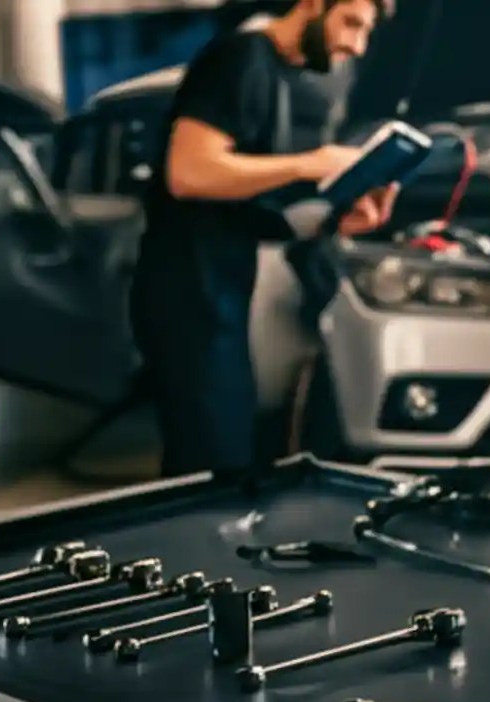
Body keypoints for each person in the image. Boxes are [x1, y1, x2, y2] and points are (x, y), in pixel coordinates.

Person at [131, 0, 399, 479]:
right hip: (185, 288)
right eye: (351, 24)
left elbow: (244, 201)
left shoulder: (278, 73)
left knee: (228, 446)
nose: (356, 46)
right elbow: (188, 173)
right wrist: (307, 163)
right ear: (314, 5)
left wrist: (334, 221)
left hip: (221, 289)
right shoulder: (240, 58)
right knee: (209, 459)